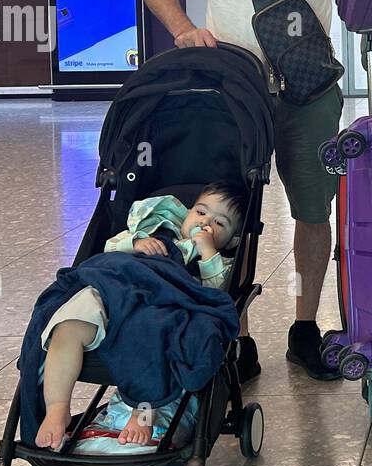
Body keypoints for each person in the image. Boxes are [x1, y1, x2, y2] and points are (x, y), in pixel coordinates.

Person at [137, 0, 346, 383]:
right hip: (232, 89)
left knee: (314, 210)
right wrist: (182, 30)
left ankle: (305, 327)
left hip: (309, 90)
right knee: (229, 215)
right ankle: (237, 334)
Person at [35, 183, 242, 450]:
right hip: (118, 286)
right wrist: (136, 243)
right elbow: (110, 249)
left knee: (151, 328)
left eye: (219, 224)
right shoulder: (155, 230)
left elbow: (217, 294)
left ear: (234, 240)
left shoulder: (211, 259)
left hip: (162, 302)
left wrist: (207, 251)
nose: (205, 223)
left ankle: (142, 412)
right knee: (69, 323)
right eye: (201, 213)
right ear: (187, 212)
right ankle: (57, 407)